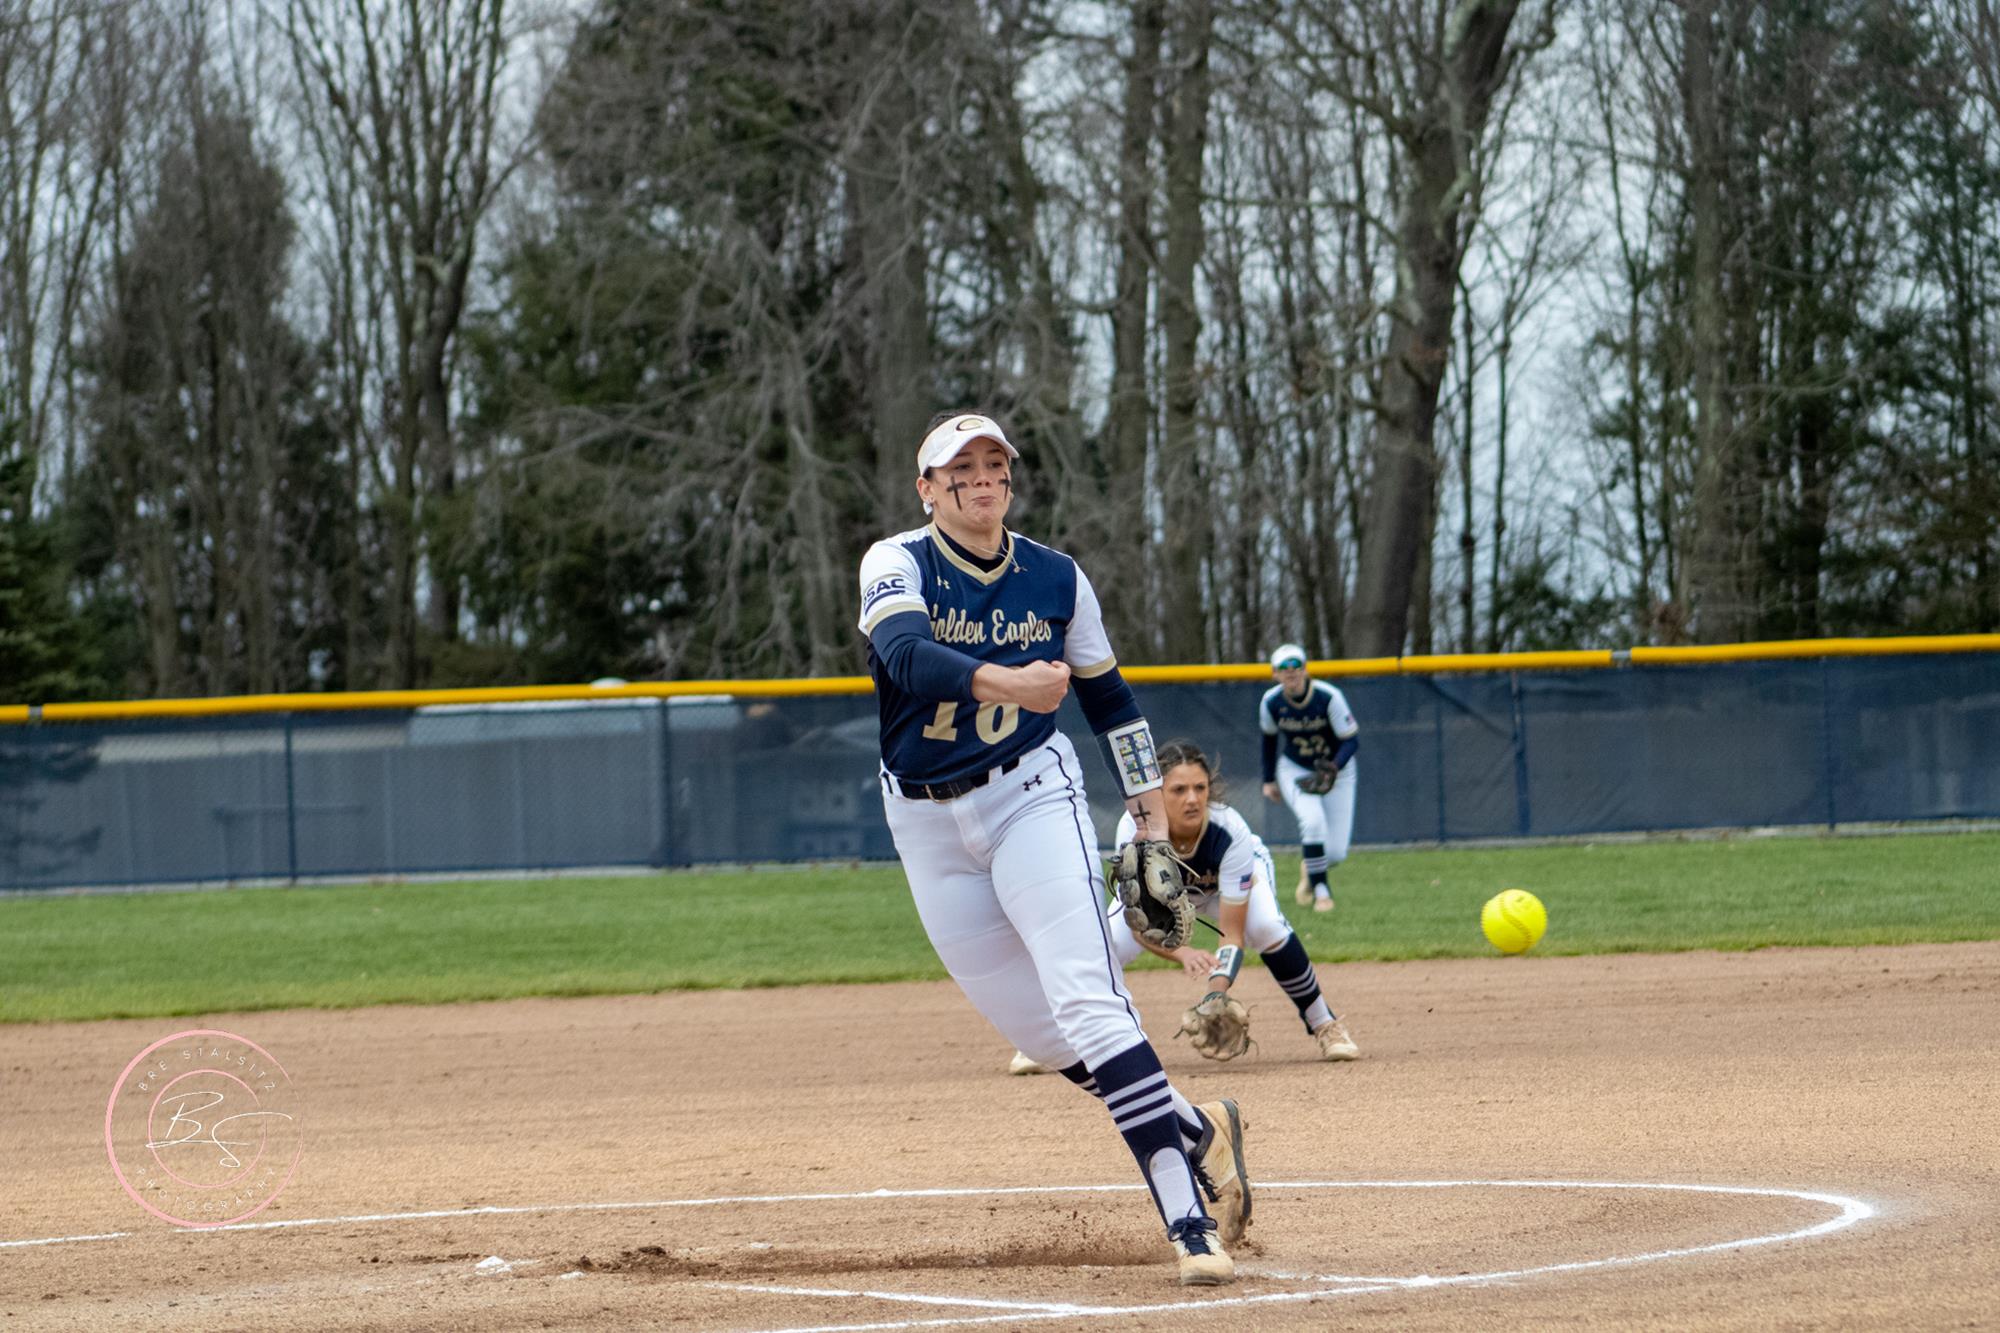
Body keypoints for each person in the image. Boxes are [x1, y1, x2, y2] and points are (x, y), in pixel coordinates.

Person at [858, 409, 1250, 1287]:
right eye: (960, 467)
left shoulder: (1057, 578)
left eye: (995, 462)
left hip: (1030, 793)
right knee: (1037, 1029)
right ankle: (1195, 1126)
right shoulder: (896, 561)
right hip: (923, 822)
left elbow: (1111, 702)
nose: (982, 477)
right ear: (928, 489)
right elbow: (906, 655)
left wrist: (1149, 815)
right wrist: (1015, 680)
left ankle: (1187, 1218)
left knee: (1085, 999)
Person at [1011, 741, 1359, 1069]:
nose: (1192, 799)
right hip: (1164, 900)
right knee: (1104, 945)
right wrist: (1183, 953)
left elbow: (1232, 933)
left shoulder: (1229, 831)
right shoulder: (1137, 831)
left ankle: (1324, 1024)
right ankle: (1048, 1042)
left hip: (1222, 888)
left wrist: (1214, 994)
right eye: (1179, 790)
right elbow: (1139, 923)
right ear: (1157, 794)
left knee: (1267, 926)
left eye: (1200, 788)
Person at [1259, 643, 1359, 913]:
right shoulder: (1271, 702)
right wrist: (1269, 780)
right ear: (1274, 674)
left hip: (1338, 767)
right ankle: (1322, 892)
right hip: (1295, 769)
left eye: (1296, 666)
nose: (1291, 672)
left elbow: (1351, 741)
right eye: (1284, 668)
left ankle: (1311, 865)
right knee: (1313, 823)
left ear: (1305, 669)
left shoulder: (1328, 697)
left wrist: (1334, 767)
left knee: (1336, 852)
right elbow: (1269, 742)